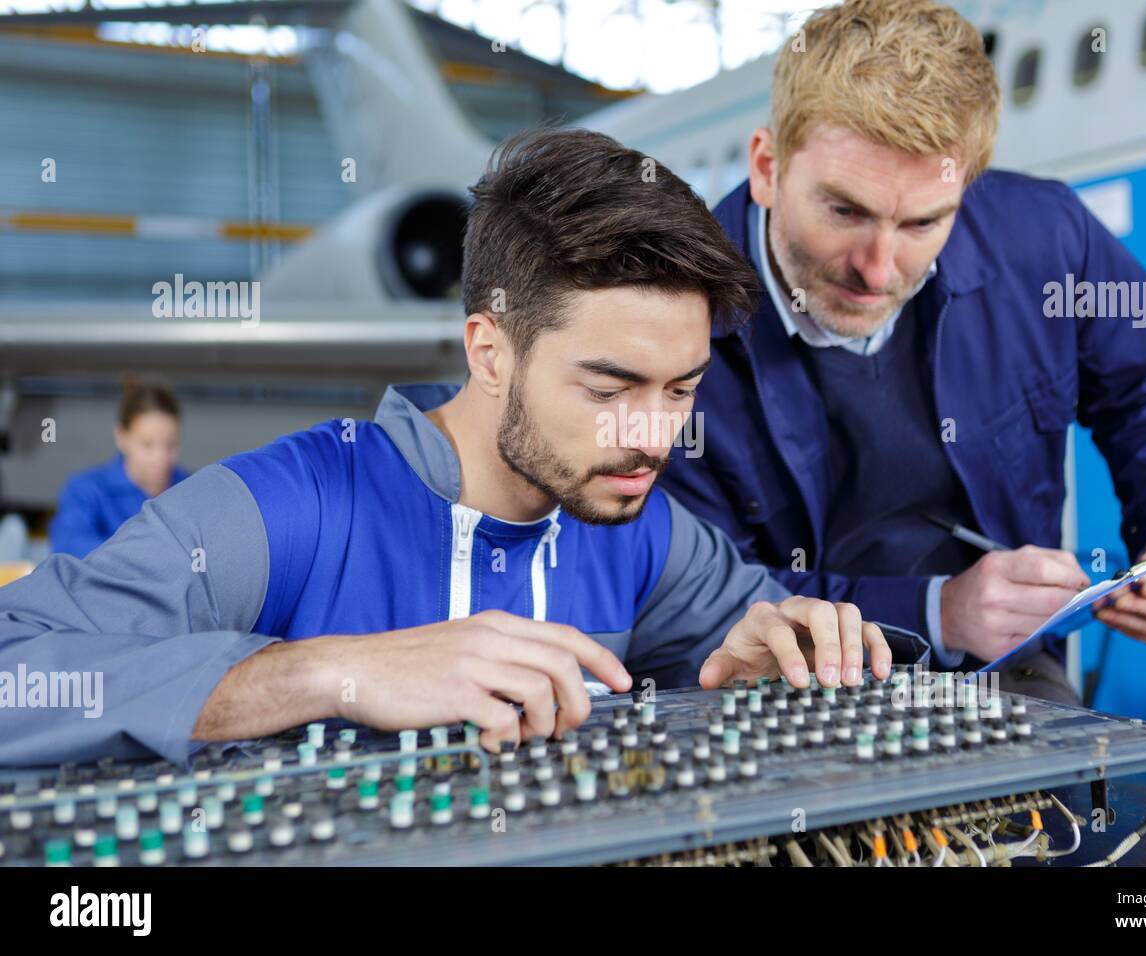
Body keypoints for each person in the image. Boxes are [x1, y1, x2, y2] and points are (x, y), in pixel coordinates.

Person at [0, 129, 917, 769]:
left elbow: (763, 644)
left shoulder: (644, 533)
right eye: (607, 389)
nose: (653, 437)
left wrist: (792, 649)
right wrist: (325, 671)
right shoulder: (288, 510)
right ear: (489, 350)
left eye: (679, 391)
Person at [659, 0, 1146, 704]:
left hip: (1006, 668)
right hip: (771, 681)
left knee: (1072, 809)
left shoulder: (1045, 239)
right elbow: (690, 594)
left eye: (924, 221)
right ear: (768, 166)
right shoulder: (668, 325)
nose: (877, 267)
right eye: (845, 210)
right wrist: (939, 612)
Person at [49, 380, 188, 559]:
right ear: (122, 437)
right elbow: (67, 550)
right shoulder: (85, 491)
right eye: (147, 445)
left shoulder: (191, 490)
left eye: (170, 445)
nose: (160, 458)